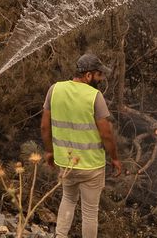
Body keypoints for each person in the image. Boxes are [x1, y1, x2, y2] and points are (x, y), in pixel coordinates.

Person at [41, 53, 124, 238]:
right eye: (99, 75)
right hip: (91, 166)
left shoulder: (55, 89)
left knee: (68, 199)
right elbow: (106, 133)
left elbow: (44, 126)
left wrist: (49, 151)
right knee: (90, 211)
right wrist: (115, 158)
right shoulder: (95, 96)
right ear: (88, 75)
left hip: (66, 162)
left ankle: (60, 236)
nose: (101, 79)